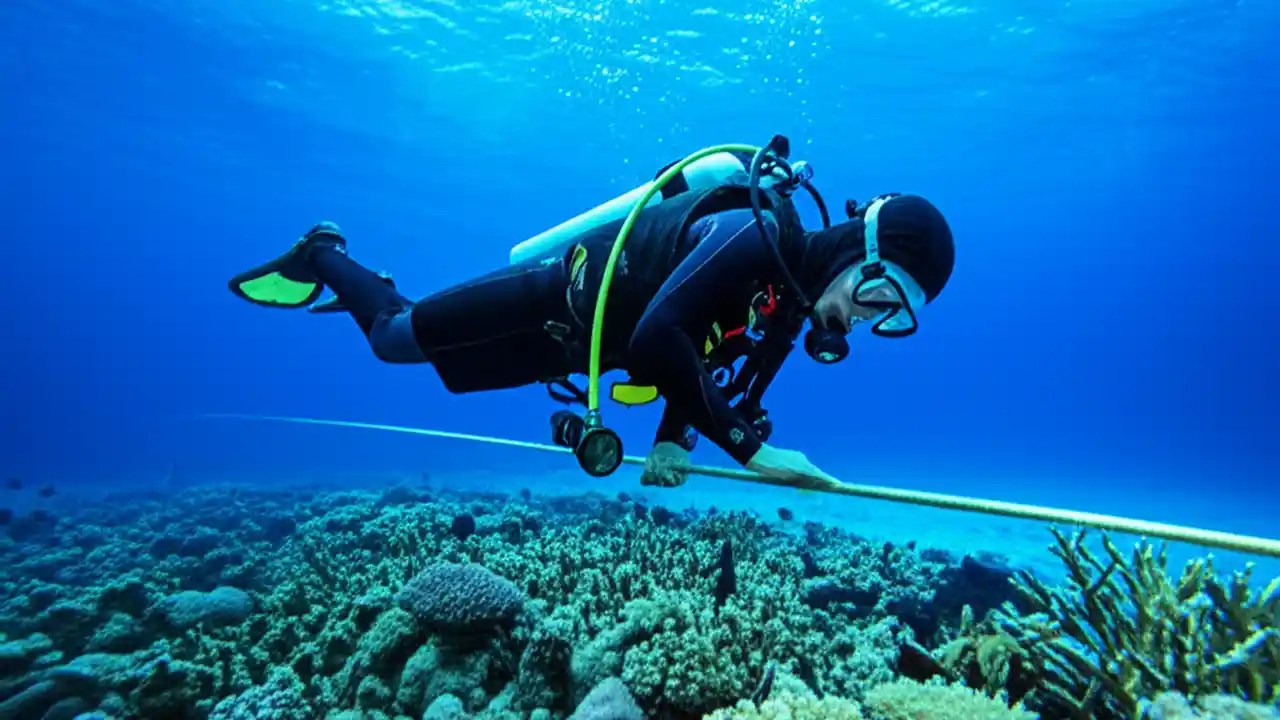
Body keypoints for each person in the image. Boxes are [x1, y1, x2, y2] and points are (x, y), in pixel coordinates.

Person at [228, 156, 954, 489]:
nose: (866, 320)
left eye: (892, 319)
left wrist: (670, 441)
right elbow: (659, 336)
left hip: (573, 352)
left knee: (433, 366)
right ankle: (324, 252)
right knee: (393, 339)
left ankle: (365, 284)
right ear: (861, 251)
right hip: (553, 294)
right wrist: (754, 455)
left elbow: (710, 362)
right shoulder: (754, 234)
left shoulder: (789, 303)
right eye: (880, 294)